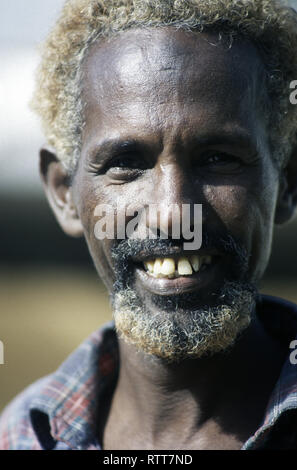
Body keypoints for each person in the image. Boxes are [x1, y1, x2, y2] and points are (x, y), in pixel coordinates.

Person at [1, 0, 297, 450]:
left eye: (218, 158)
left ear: (288, 181)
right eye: (126, 163)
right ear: (64, 193)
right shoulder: (24, 434)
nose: (172, 212)